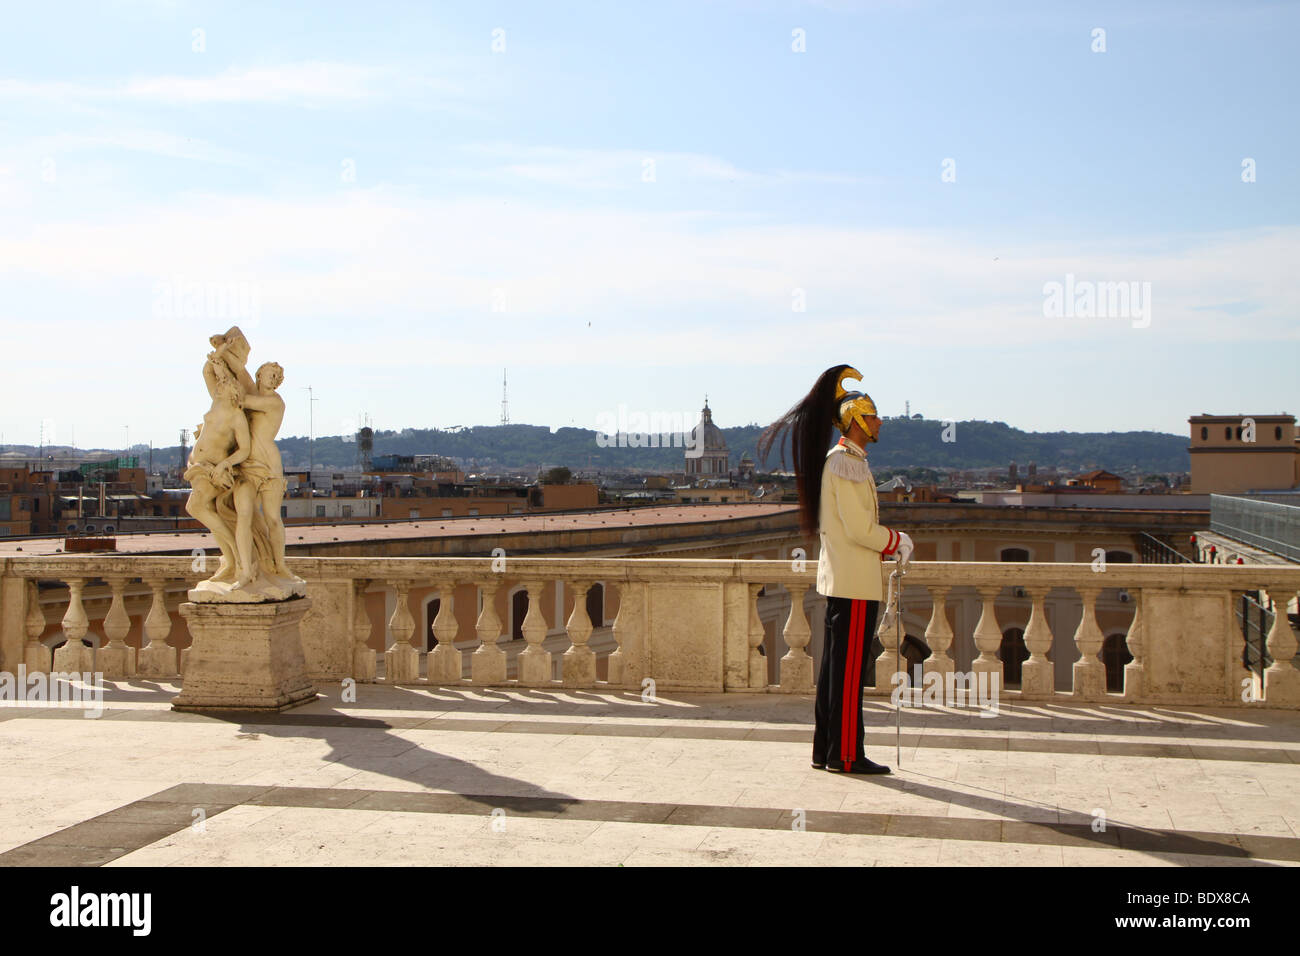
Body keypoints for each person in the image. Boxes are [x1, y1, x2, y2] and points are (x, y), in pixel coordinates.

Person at [759, 364, 914, 774]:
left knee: (835, 672)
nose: (880, 422)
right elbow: (859, 528)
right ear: (857, 421)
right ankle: (845, 755)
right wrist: (895, 540)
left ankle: (827, 750)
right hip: (855, 583)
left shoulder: (846, 460)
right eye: (873, 415)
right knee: (847, 675)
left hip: (846, 578)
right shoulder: (846, 464)